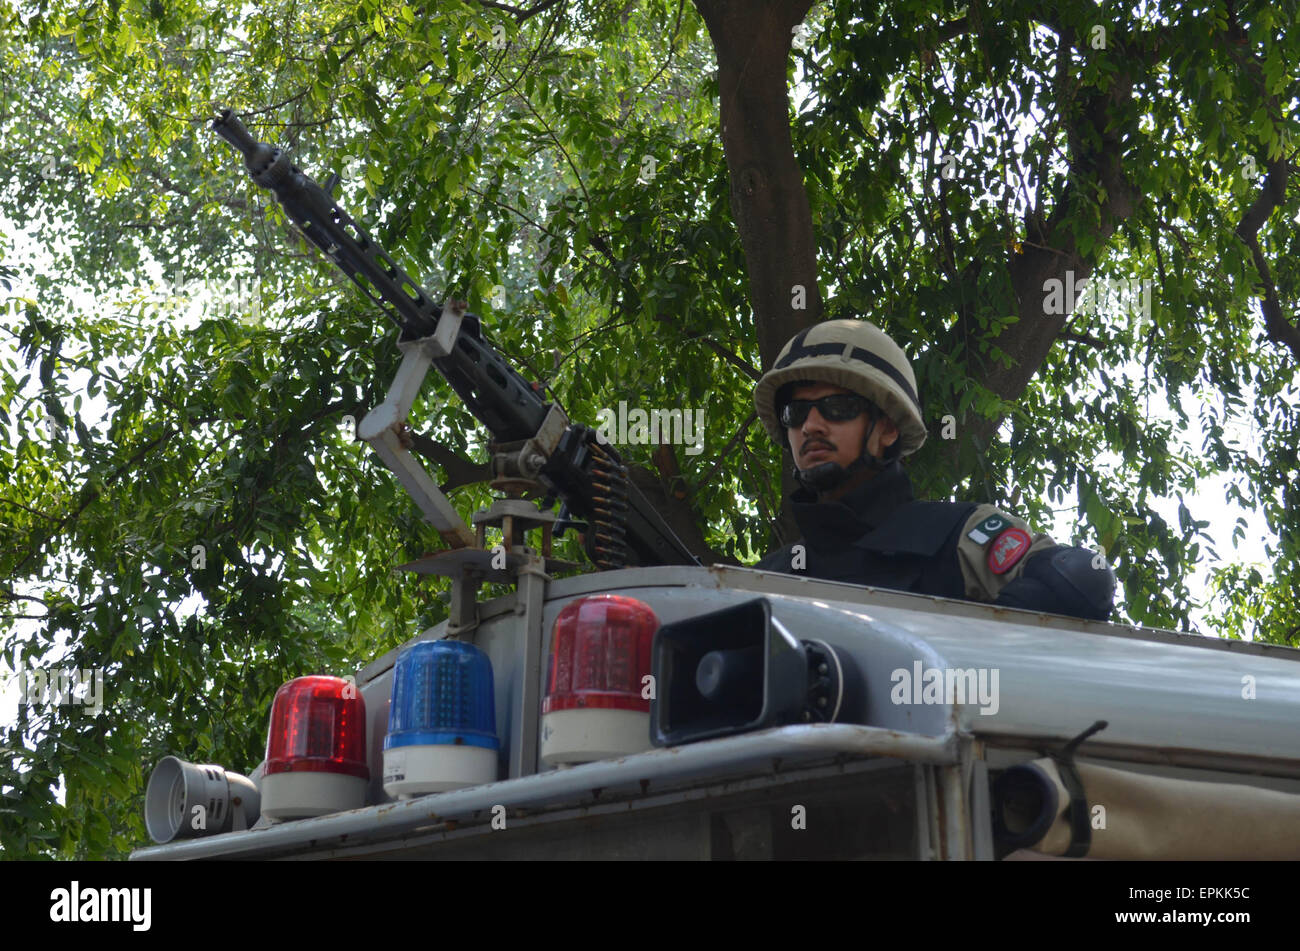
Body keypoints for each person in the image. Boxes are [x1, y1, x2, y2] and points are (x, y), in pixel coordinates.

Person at [752, 319, 1115, 621]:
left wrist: (985, 636)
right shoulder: (767, 578)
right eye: (795, 413)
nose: (811, 425)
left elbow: (1082, 577)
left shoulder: (957, 536)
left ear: (888, 427)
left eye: (837, 407)